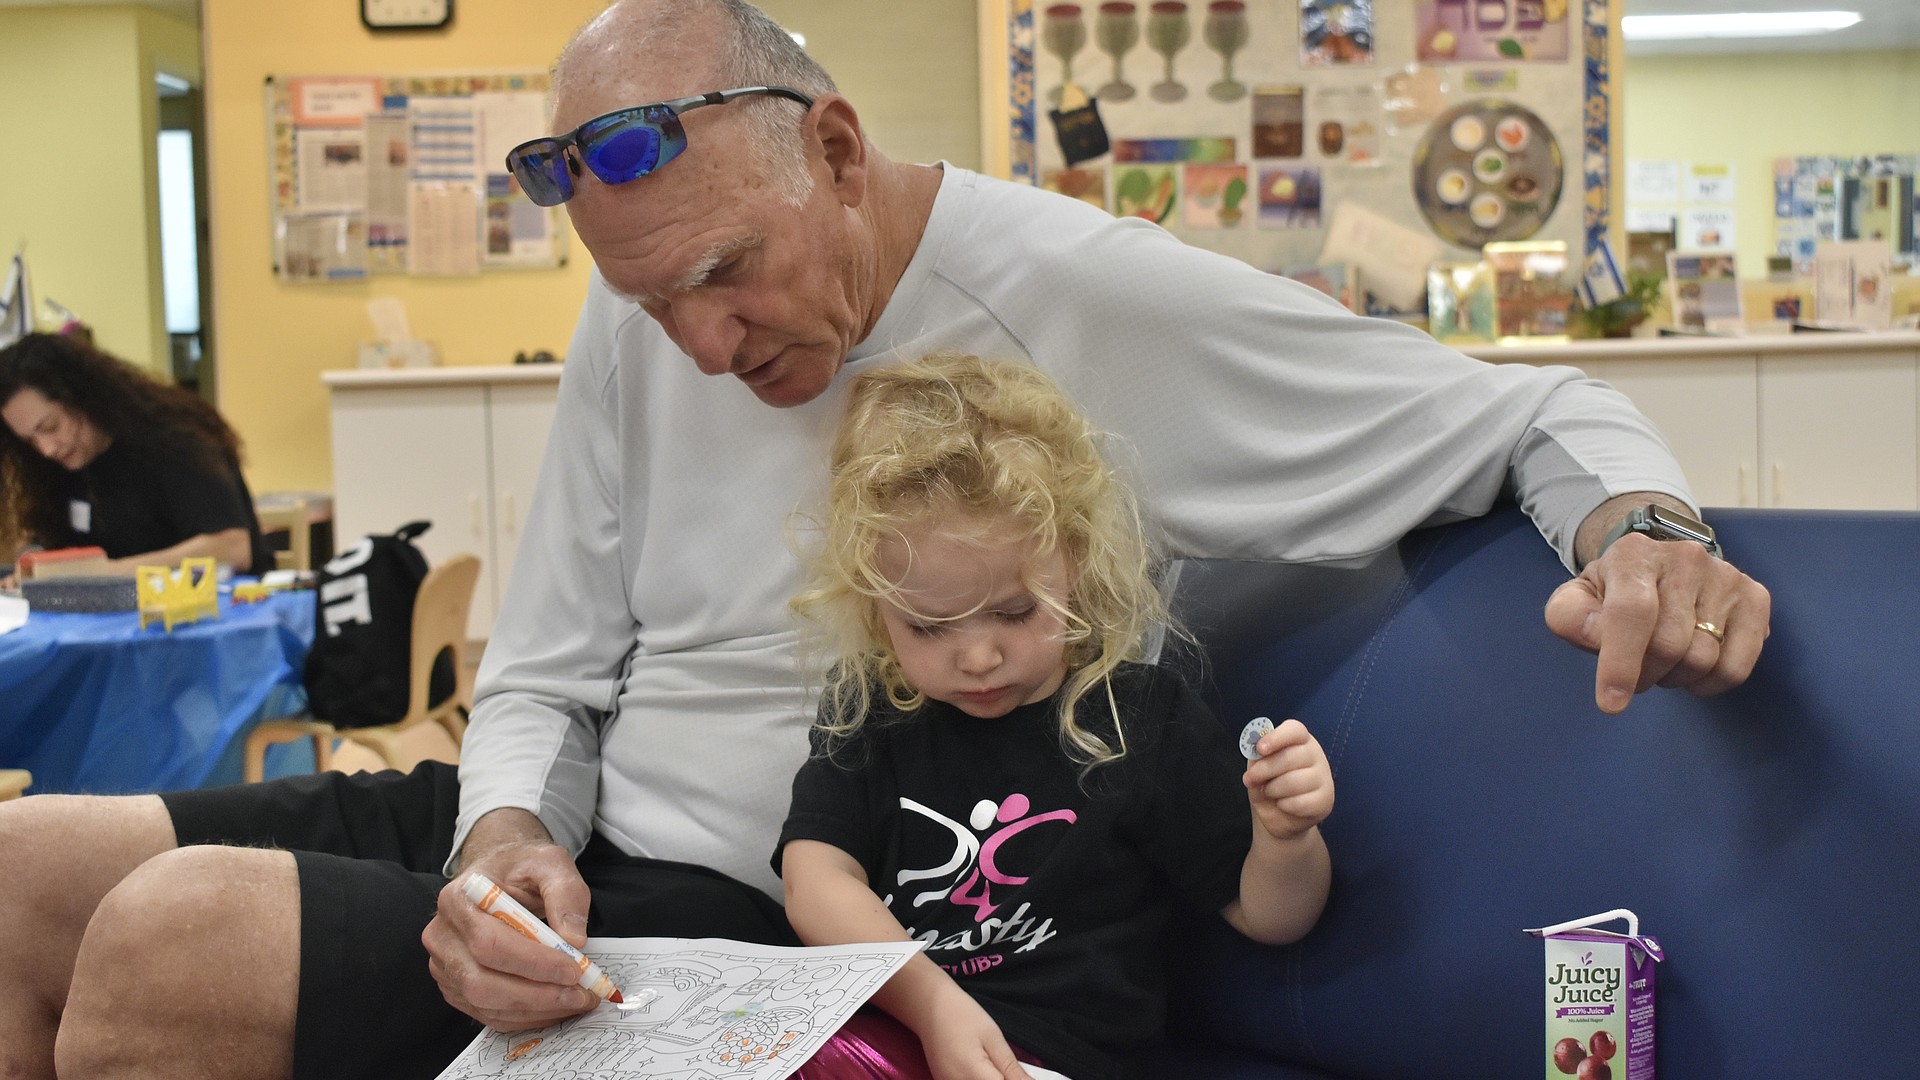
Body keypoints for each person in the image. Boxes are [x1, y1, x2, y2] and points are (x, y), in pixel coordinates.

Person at [0, 1, 1771, 1077]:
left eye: (724, 278)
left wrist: (1641, 530)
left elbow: (1528, 411)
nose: (698, 346)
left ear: (836, 149)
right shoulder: (650, 306)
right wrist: (502, 834)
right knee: (17, 879)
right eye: (642, 300)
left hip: (751, 900)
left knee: (175, 944)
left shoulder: (1075, 292)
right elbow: (545, 669)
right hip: (562, 838)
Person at [776, 354, 1335, 1080]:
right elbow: (813, 882)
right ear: (875, 608)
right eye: (929, 626)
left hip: (1056, 1060)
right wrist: (933, 1004)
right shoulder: (869, 707)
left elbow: (1271, 917)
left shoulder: (1139, 717)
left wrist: (1287, 836)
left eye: (1014, 612)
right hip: (899, 1022)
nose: (978, 657)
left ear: (1075, 561)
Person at [0, 332, 270, 576]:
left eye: (50, 427)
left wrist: (110, 573)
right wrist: (33, 562)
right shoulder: (53, 468)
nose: (46, 449)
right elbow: (55, 541)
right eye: (30, 441)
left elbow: (233, 548)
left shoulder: (173, 439)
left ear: (81, 396)